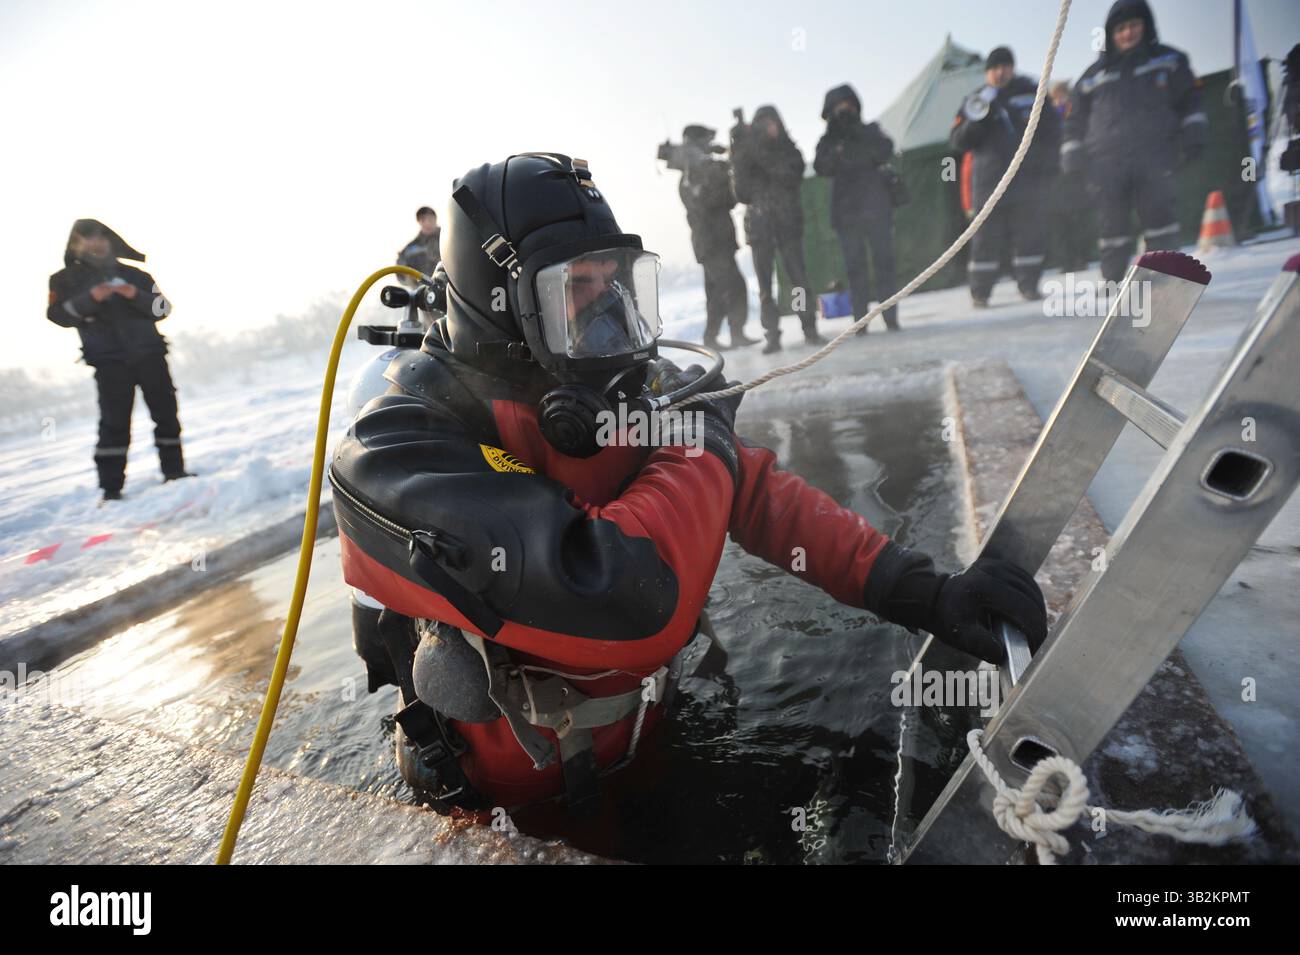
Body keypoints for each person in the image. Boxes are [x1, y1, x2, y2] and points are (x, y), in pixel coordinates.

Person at [330, 153, 1048, 818]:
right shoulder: (394, 451)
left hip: (648, 737)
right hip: (510, 810)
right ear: (503, 303)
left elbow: (758, 495)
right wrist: (702, 445)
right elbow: (624, 599)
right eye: (575, 287)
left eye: (614, 279)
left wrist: (920, 590)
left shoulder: (615, 391)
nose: (605, 307)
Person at [1062, 0, 1207, 282]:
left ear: (1146, 26)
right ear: (1110, 34)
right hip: (1105, 163)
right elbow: (1074, 118)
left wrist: (1194, 133)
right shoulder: (1092, 76)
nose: (1127, 33)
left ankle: (1165, 279)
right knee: (1111, 225)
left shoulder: (1170, 60)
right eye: (1121, 28)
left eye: (1134, 25)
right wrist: (1071, 153)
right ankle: (1112, 281)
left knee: (1159, 217)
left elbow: (1192, 100)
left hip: (1155, 155)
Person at [46, 220, 189, 502]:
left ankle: (175, 472)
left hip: (150, 354)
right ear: (75, 244)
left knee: (166, 414)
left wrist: (133, 294)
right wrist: (91, 298)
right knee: (114, 423)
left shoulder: (135, 275)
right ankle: (111, 490)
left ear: (111, 241)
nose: (95, 244)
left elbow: (163, 309)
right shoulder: (62, 280)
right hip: (109, 362)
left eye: (100, 238)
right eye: (86, 239)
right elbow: (58, 316)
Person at [950, 46, 1062, 306]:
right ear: (987, 72)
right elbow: (957, 141)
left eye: (1005, 66)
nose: (1000, 72)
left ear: (1013, 67)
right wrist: (979, 118)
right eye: (995, 68)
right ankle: (980, 293)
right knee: (985, 239)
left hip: (1027, 180)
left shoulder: (1030, 91)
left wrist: (1046, 164)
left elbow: (1052, 129)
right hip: (988, 183)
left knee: (1029, 234)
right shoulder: (976, 98)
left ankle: (1029, 285)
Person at [730, 105, 823, 353]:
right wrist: (738, 151)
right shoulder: (748, 155)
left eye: (770, 123)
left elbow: (789, 176)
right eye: (761, 124)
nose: (767, 128)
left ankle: (809, 327)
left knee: (798, 282)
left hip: (787, 224)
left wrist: (759, 151)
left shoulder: (788, 151)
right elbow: (741, 193)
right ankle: (772, 334)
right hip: (760, 227)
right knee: (765, 289)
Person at [814, 84, 900, 332]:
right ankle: (860, 322)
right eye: (839, 108)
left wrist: (858, 138)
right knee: (855, 269)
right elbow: (821, 167)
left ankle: (891, 318)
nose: (845, 111)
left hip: (876, 209)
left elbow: (886, 149)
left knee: (885, 264)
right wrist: (838, 148)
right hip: (846, 215)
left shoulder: (870, 131)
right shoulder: (827, 141)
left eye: (848, 106)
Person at [673, 125, 757, 350]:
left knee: (716, 291)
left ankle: (711, 337)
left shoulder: (704, 172)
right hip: (711, 243)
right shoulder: (691, 178)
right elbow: (711, 203)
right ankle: (735, 333)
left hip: (719, 241)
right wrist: (720, 174)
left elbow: (728, 199)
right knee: (734, 286)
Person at [1048, 80, 1090, 274]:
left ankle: (1081, 258)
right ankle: (1065, 262)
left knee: (1078, 220)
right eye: (1055, 97)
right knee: (1059, 223)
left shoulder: (1077, 115)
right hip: (1056, 180)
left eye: (1061, 96)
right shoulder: (1047, 119)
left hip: (1075, 177)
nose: (1059, 101)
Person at [396, 206, 442, 286]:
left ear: (435, 219)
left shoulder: (450, 240)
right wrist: (412, 282)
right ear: (419, 222)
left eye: (430, 219)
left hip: (452, 290)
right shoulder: (409, 250)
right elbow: (400, 272)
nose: (427, 223)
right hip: (424, 293)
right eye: (423, 220)